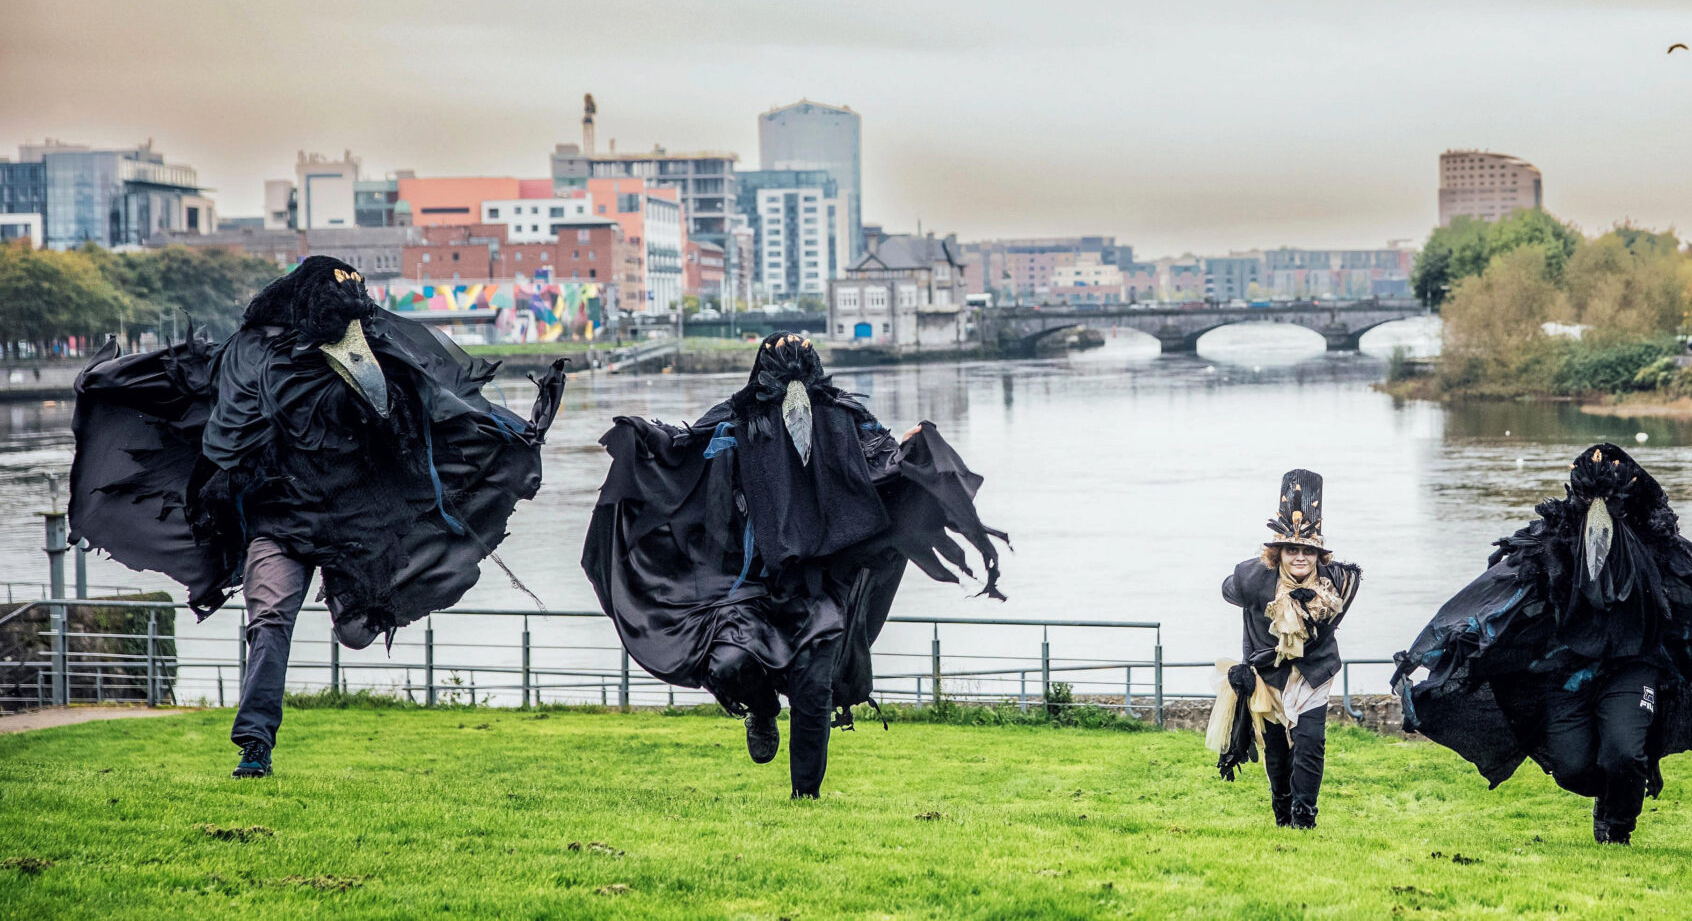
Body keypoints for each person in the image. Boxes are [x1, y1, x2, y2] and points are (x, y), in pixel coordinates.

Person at [69, 256, 567, 778]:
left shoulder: (376, 355)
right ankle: (255, 746)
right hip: (278, 522)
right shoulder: (252, 359)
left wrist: (512, 436)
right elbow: (188, 382)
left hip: (353, 527)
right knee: (269, 621)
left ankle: (357, 618)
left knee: (355, 631)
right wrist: (109, 381)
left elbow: (441, 403)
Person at [583, 333, 1005, 799]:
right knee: (727, 664)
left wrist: (914, 450)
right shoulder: (735, 416)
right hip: (747, 582)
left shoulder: (845, 416)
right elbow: (683, 450)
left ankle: (805, 797)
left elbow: (884, 459)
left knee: (813, 687)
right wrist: (643, 438)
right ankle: (761, 709)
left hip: (821, 584)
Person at [1392, 444, 1692, 844]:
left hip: (1632, 667)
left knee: (1624, 755)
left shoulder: (1657, 545)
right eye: (1591, 499)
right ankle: (1608, 794)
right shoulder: (1552, 542)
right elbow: (1495, 593)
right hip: (1566, 673)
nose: (1600, 512)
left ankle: (1618, 825)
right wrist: (1454, 642)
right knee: (1572, 769)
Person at [1208, 469, 1361, 829]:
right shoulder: (1253, 579)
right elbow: (1228, 592)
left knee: (1310, 744)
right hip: (1269, 677)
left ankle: (1304, 820)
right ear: (1278, 552)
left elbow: (1339, 609)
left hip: (1313, 673)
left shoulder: (1335, 582)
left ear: (1318, 555)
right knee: (1277, 753)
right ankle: (1282, 814)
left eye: (1308, 550)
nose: (1300, 557)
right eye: (1292, 549)